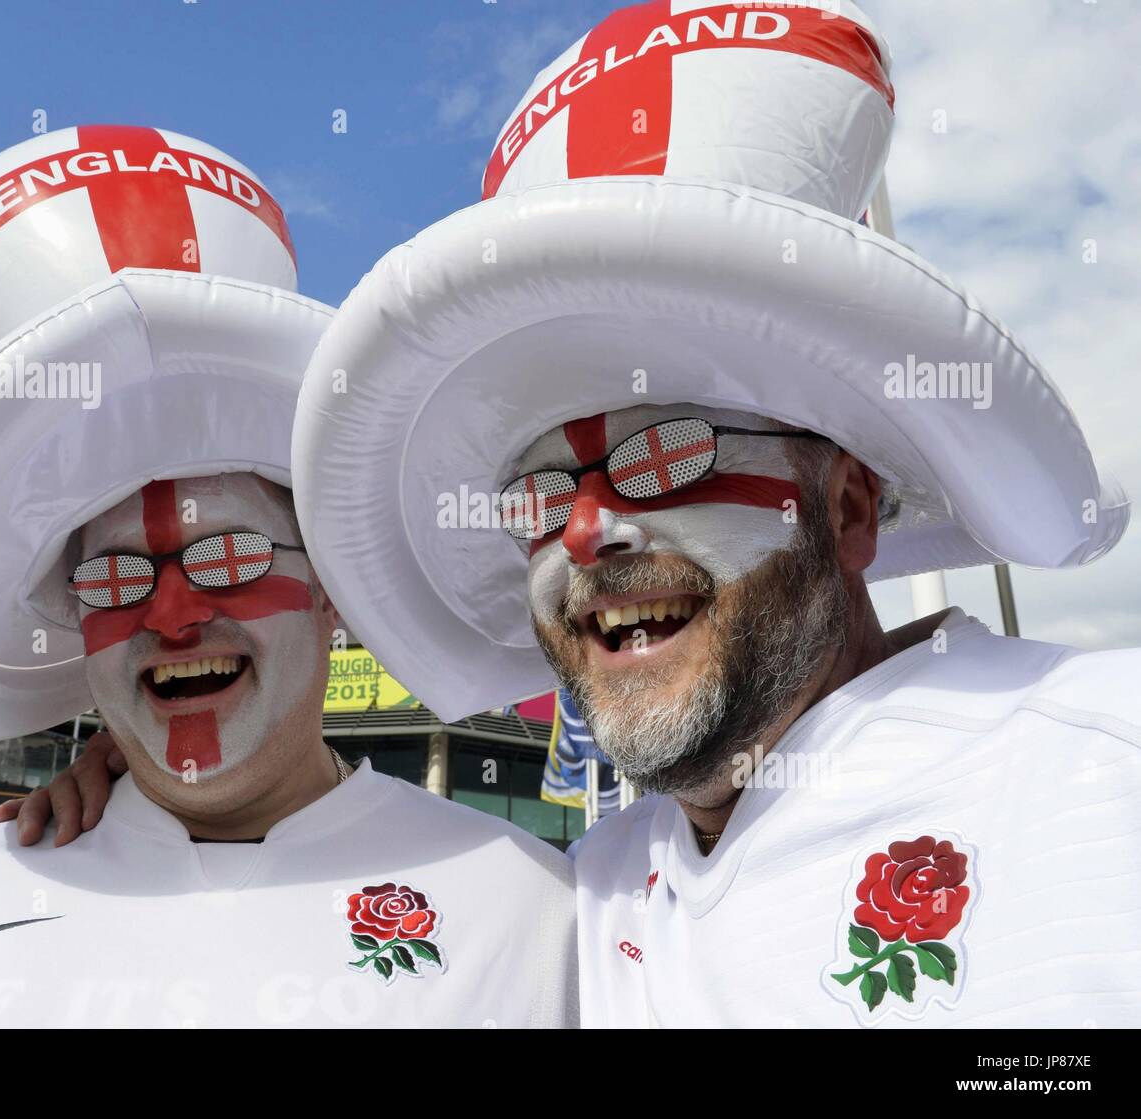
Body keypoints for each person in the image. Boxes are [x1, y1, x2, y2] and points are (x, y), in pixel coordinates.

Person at [283, 0, 1141, 1027]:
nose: (586, 537)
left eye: (667, 456)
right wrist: (134, 800)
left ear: (851, 509)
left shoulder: (1101, 770)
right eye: (544, 498)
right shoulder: (574, 900)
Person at [0, 127, 575, 1028]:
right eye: (114, 577)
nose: (173, 615)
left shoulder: (538, 909)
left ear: (332, 590)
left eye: (230, 556)